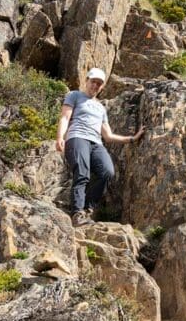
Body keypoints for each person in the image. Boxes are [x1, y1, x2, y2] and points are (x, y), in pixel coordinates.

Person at [55, 68, 144, 226]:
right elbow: (65, 117)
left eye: (99, 83)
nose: (95, 85)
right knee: (82, 173)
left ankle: (88, 209)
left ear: (102, 87)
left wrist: (132, 138)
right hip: (77, 137)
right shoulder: (74, 95)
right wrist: (60, 137)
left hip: (96, 142)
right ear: (87, 80)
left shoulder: (101, 108)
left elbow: (108, 136)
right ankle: (77, 213)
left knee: (107, 172)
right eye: (93, 81)